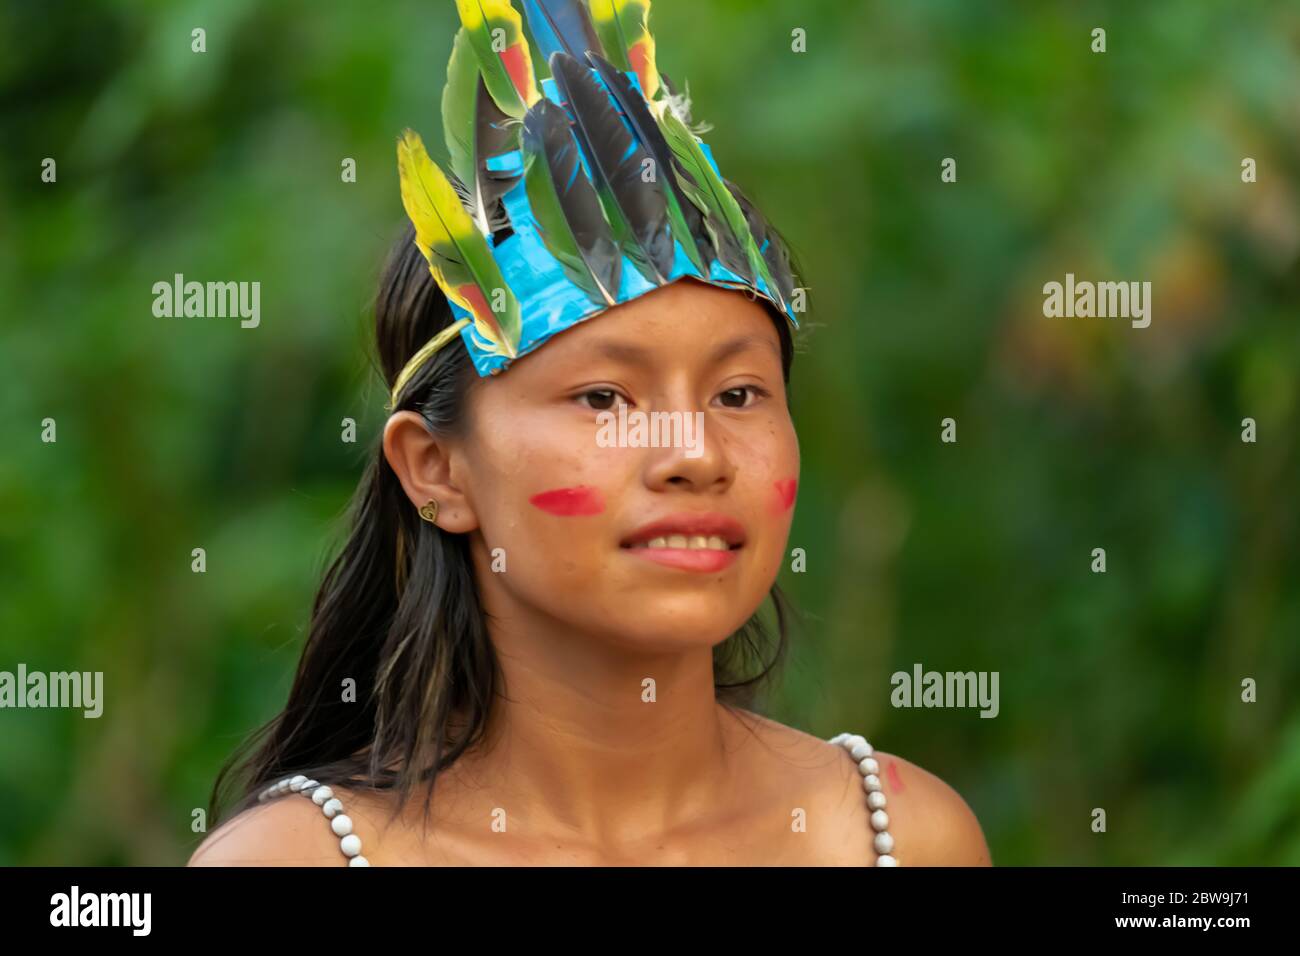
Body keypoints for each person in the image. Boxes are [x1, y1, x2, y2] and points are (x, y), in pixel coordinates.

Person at [190, 0, 989, 867]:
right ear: (437, 471)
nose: (695, 453)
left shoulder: (898, 838)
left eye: (739, 392)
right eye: (605, 397)